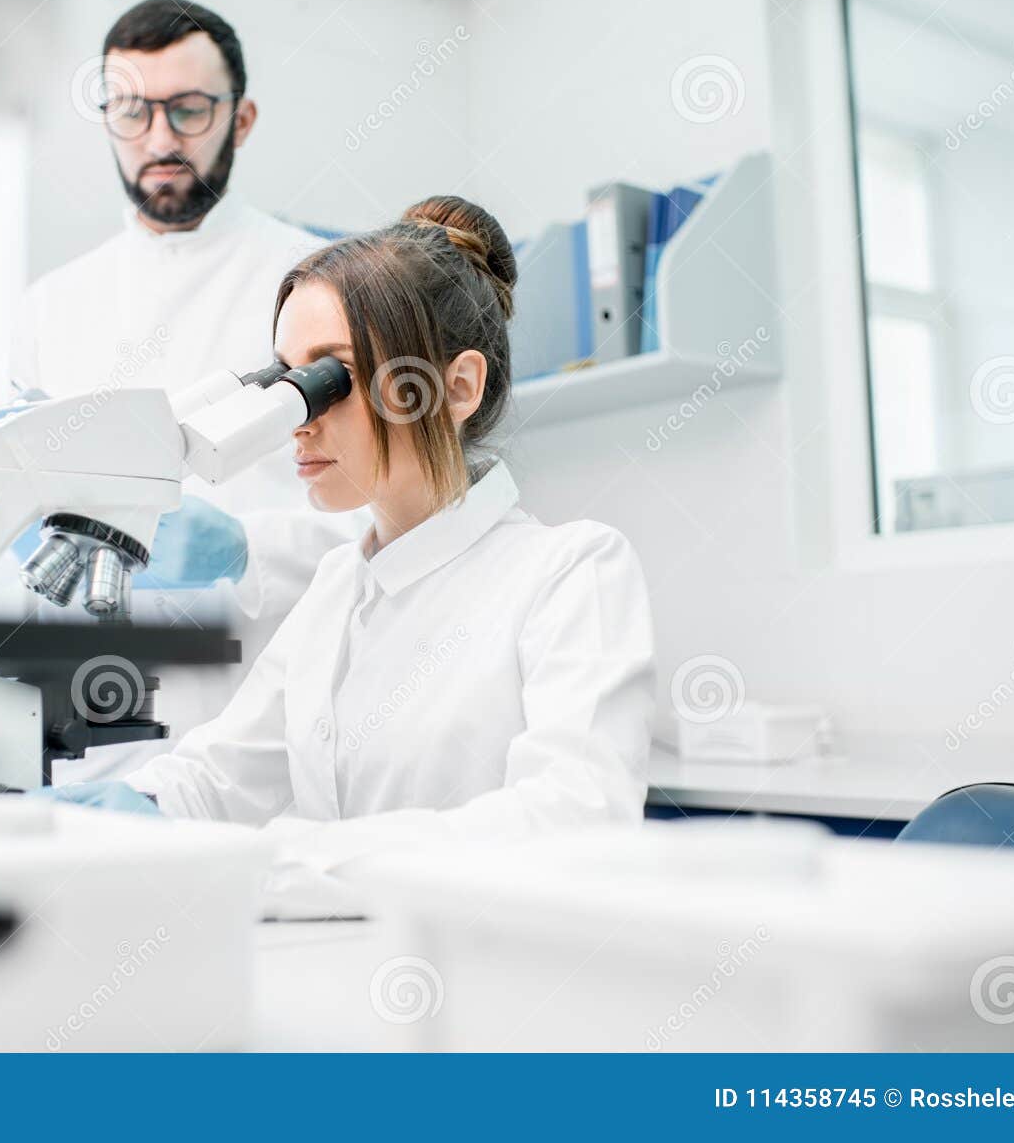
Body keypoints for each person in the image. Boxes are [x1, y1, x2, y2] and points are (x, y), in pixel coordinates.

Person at [38, 195, 657, 865]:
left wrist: (292, 855)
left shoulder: (571, 573)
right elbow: (223, 775)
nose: (296, 419)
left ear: (456, 388)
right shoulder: (339, 588)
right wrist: (131, 811)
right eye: (286, 379)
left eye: (332, 377)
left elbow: (579, 816)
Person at [0, 0, 358, 782]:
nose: (160, 139)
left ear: (242, 119)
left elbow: (382, 524)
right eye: (131, 111)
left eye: (188, 111)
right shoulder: (50, 306)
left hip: (263, 731)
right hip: (81, 739)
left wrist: (242, 549)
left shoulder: (322, 287)